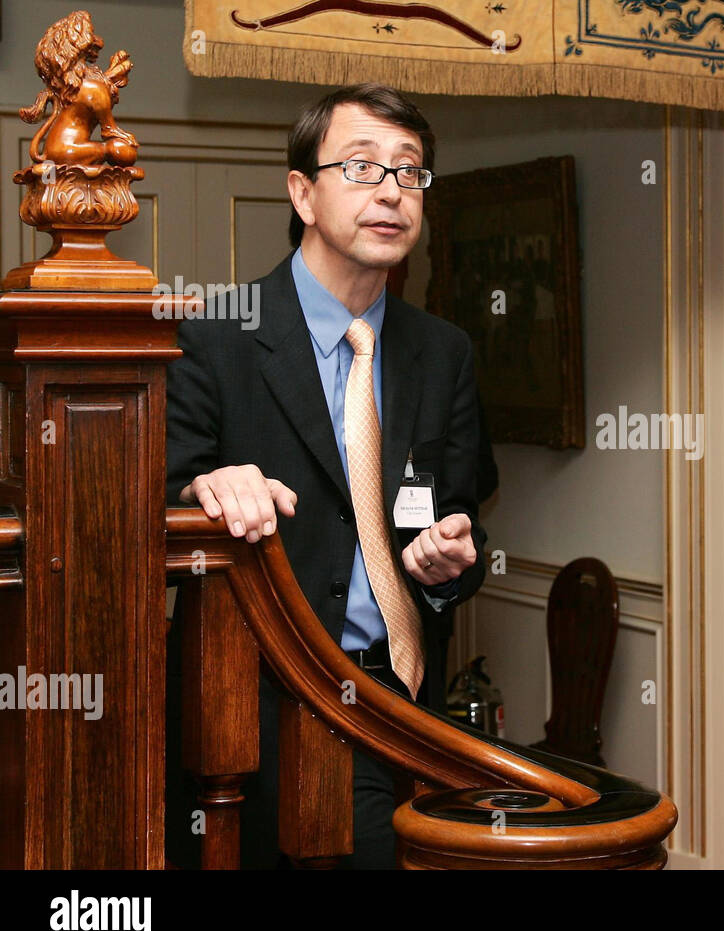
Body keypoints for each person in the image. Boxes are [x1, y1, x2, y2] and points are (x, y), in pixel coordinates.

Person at [165, 83, 487, 868]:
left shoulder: (441, 352)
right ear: (303, 193)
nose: (391, 191)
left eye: (410, 173)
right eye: (363, 167)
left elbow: (458, 511)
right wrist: (204, 491)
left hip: (407, 701)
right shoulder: (216, 333)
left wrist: (446, 562)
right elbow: (153, 496)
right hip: (263, 705)